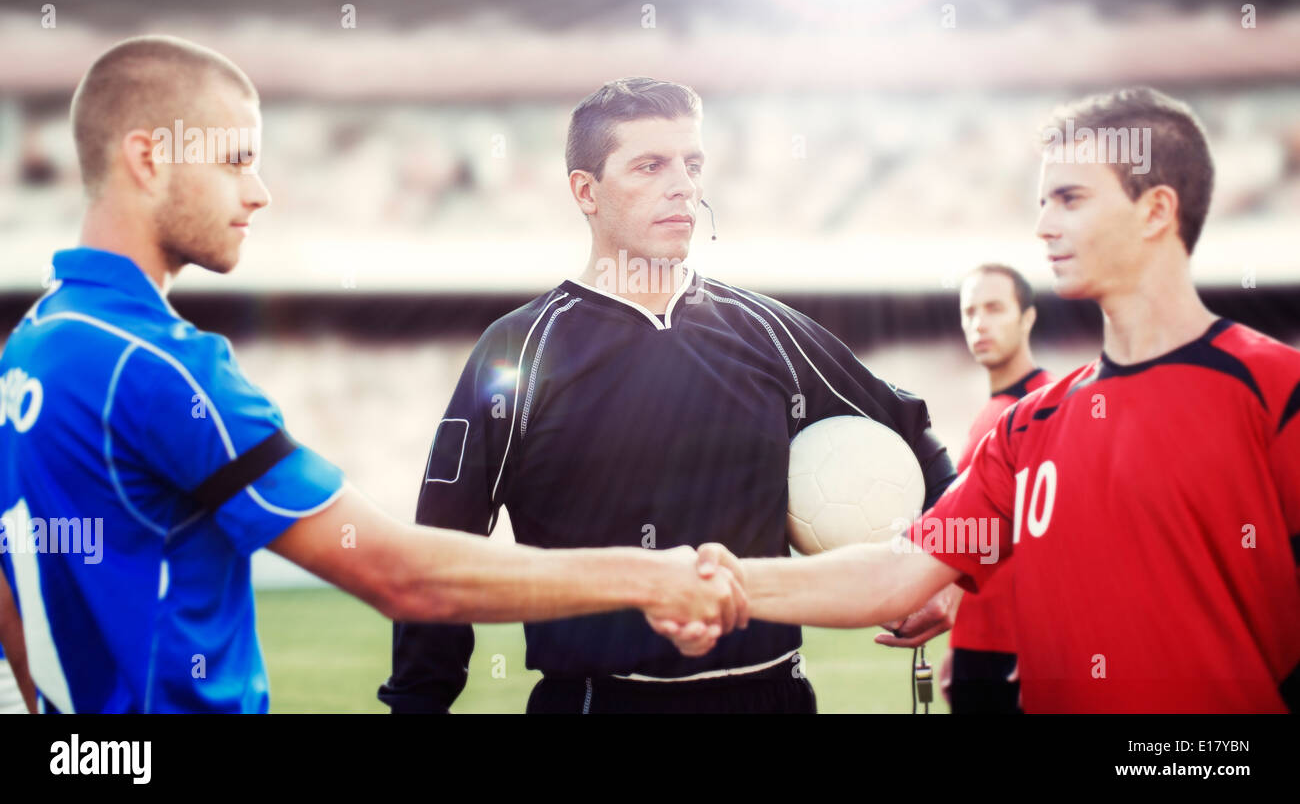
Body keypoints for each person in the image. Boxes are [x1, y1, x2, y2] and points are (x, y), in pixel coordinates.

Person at [0, 37, 746, 714]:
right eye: (233, 160)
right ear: (147, 159)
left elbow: (12, 598)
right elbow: (398, 574)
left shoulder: (34, 346)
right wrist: (649, 577)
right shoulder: (160, 368)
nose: (258, 191)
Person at [685, 87, 1300, 713]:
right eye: (1042, 201)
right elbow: (898, 573)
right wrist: (712, 582)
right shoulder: (1028, 427)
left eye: (1070, 199)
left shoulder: (1276, 392)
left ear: (1155, 211)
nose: (1043, 225)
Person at [379, 78, 957, 714]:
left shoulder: (768, 332)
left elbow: (914, 433)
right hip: (596, 701)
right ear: (586, 191)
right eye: (650, 165)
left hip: (772, 697)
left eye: (693, 164)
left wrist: (945, 571)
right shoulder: (518, 352)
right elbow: (441, 546)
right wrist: (418, 701)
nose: (682, 185)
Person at [943, 263, 1054, 713]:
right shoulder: (990, 411)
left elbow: (1062, 542)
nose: (980, 323)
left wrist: (1046, 648)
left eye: (994, 308)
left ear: (1027, 318)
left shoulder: (1048, 408)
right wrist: (959, 642)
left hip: (1016, 650)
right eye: (970, 311)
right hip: (976, 645)